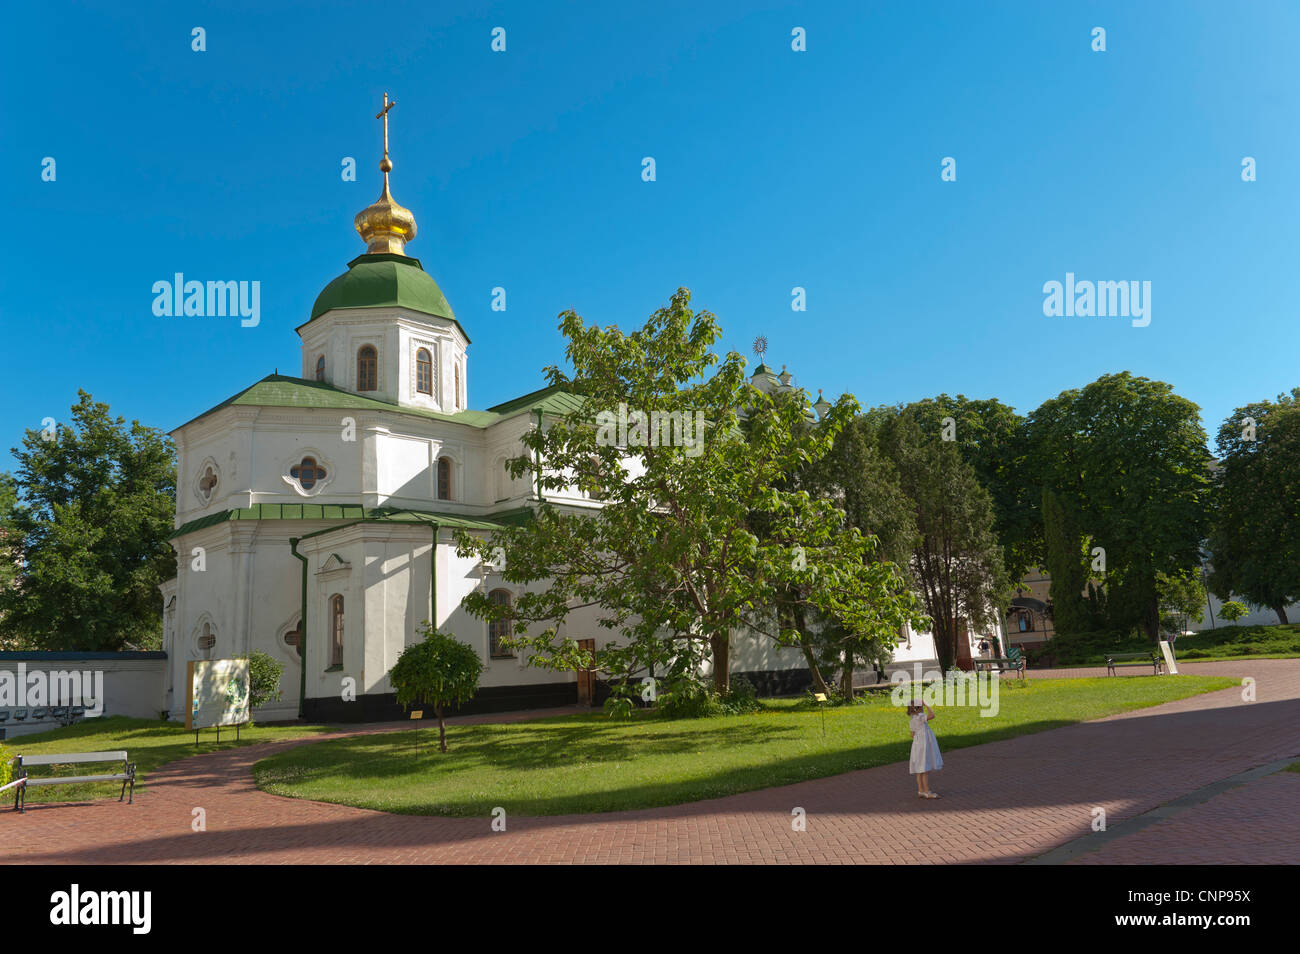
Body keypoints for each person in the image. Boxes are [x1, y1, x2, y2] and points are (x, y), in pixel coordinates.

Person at [907, 701, 943, 798]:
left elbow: (912, 734)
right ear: (919, 708)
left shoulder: (912, 720)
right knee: (924, 769)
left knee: (919, 770)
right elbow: (932, 715)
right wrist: (927, 705)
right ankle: (927, 791)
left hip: (917, 745)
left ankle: (920, 791)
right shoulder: (921, 717)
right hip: (923, 745)